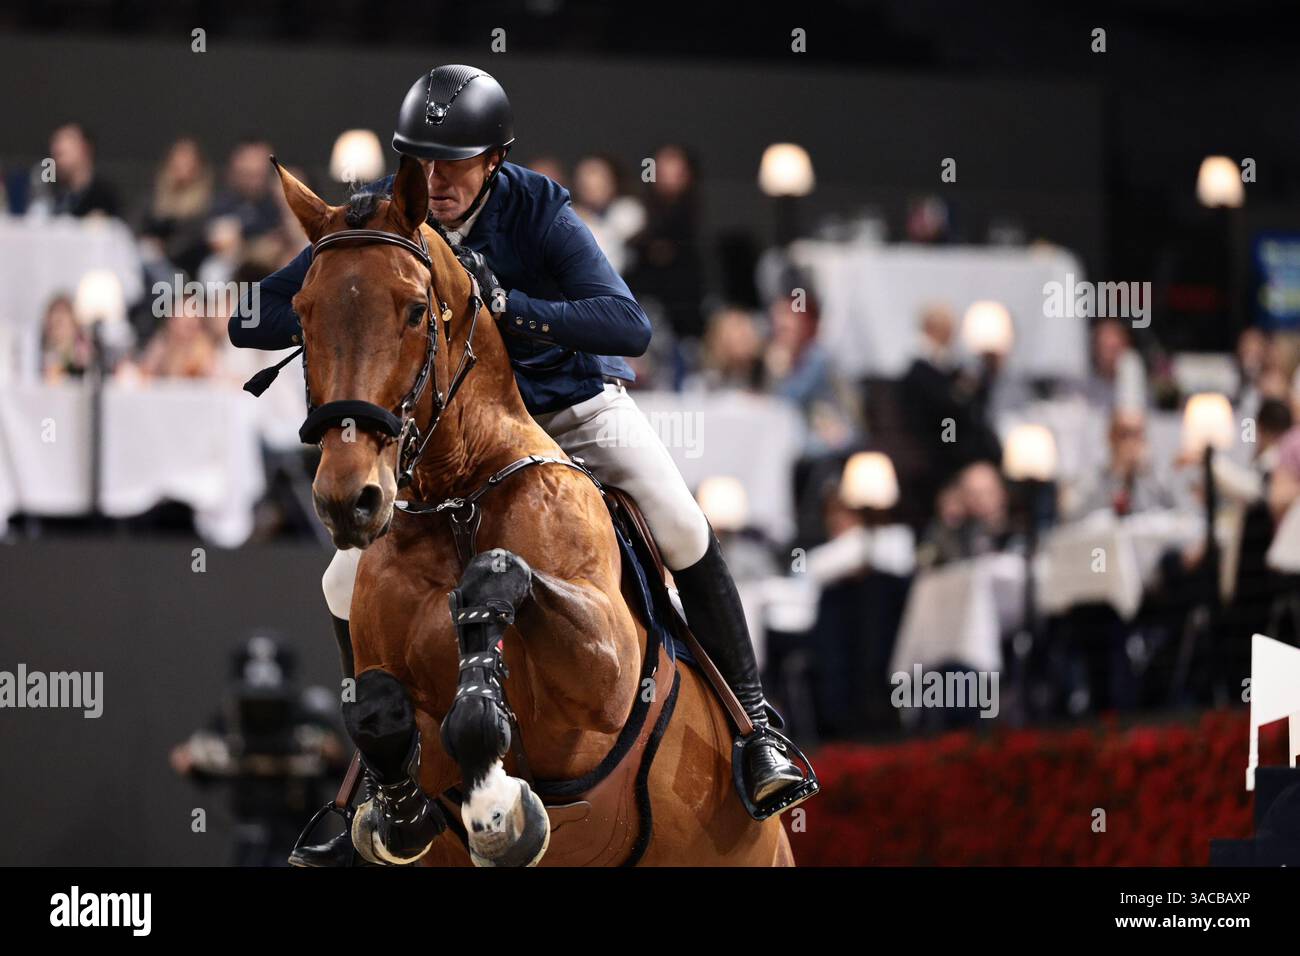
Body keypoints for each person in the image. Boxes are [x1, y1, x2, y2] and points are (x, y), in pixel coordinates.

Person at [229, 65, 813, 865]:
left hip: (567, 410)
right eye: (421, 161)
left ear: (494, 161)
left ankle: (756, 727)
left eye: (455, 163)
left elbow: (626, 324)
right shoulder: (390, 223)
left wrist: (513, 307)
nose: (435, 181)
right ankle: (379, 771)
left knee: (678, 520)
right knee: (340, 580)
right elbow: (258, 317)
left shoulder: (536, 208)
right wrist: (301, 294)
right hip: (456, 442)